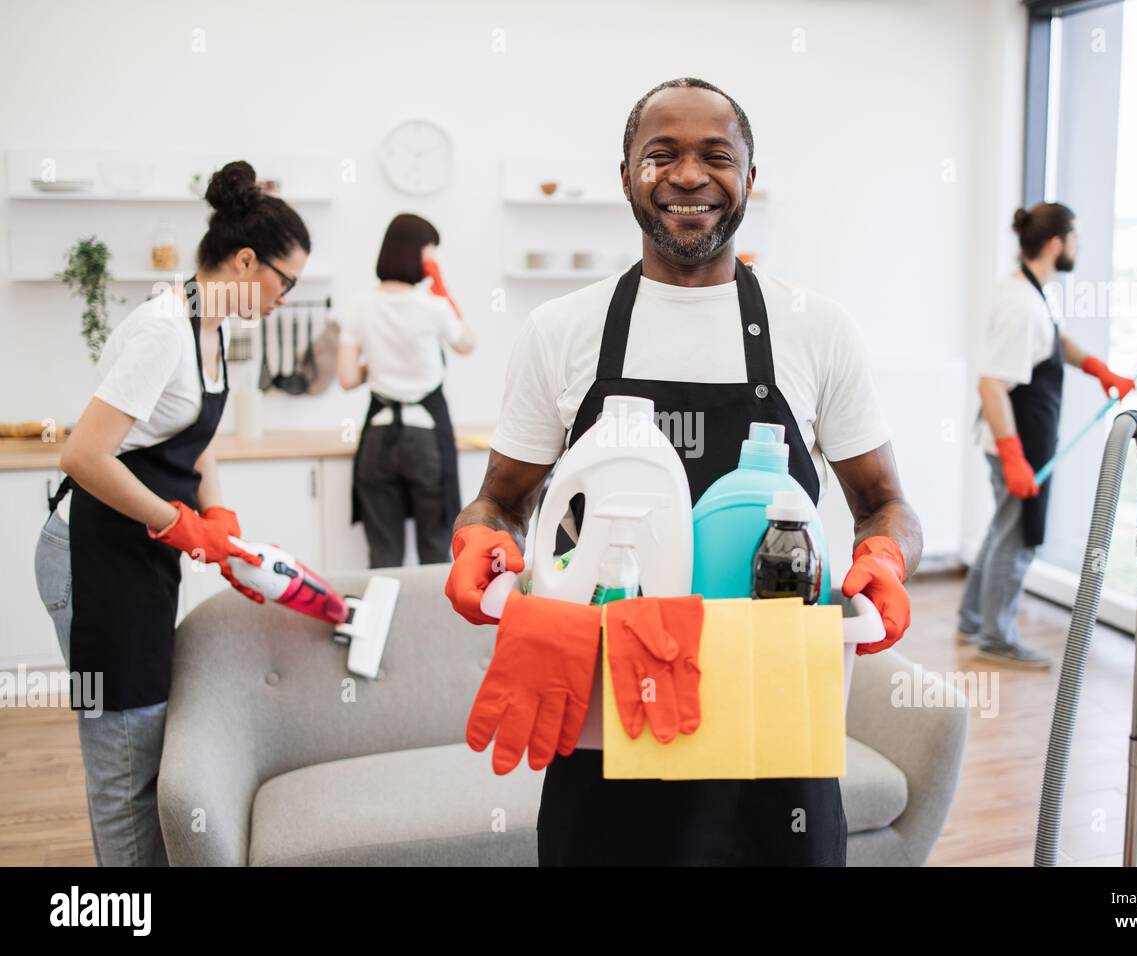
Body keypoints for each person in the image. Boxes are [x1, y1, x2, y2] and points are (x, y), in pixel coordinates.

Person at [444, 77, 922, 866]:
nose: (689, 177)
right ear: (626, 174)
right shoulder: (561, 330)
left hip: (775, 716)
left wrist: (885, 559)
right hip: (606, 717)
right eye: (660, 154)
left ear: (749, 179)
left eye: (716, 156)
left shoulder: (817, 329)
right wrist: (479, 541)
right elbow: (501, 501)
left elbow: (885, 502)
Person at [56, 160, 310, 865]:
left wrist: (218, 518)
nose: (285, 298)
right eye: (285, 282)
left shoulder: (212, 328)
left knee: (146, 734)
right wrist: (177, 524)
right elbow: (82, 456)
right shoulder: (163, 330)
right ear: (246, 260)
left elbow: (194, 446)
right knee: (122, 753)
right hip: (90, 550)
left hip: (136, 548)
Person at [958, 203, 1136, 668]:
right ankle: (997, 637)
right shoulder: (1021, 306)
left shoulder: (1033, 292)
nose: (1077, 246)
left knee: (1003, 530)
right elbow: (992, 384)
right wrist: (1014, 457)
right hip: (1017, 442)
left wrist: (1098, 369)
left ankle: (973, 619)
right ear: (1057, 243)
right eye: (1075, 238)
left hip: (1023, 440)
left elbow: (1055, 341)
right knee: (1017, 540)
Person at [337, 213, 475, 567]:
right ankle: (434, 624)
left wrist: (381, 364)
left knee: (383, 555)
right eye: (432, 253)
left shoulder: (357, 306)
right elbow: (466, 344)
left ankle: (384, 622)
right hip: (426, 437)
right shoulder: (434, 307)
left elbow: (348, 378)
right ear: (420, 256)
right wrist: (441, 287)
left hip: (378, 438)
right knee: (434, 550)